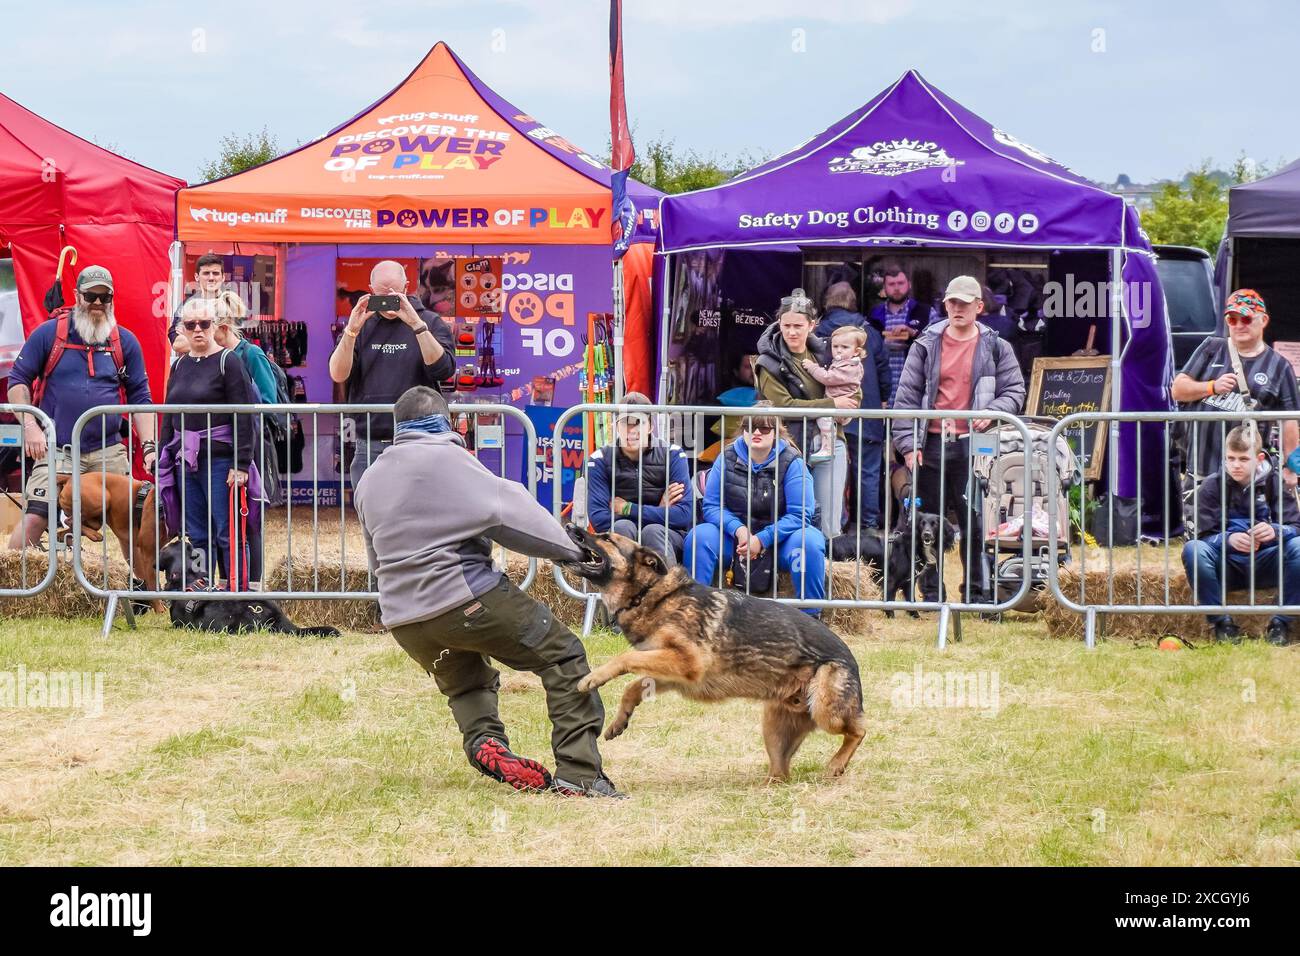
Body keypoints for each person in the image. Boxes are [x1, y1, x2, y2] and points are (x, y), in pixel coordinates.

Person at [354, 386, 621, 797]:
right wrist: (573, 553)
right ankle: (580, 775)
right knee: (564, 655)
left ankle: (484, 741)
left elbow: (376, 560)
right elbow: (510, 512)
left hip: (405, 620)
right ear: (448, 421)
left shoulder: (369, 478)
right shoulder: (453, 461)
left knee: (467, 684)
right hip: (465, 597)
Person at [892, 276, 1026, 601]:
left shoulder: (997, 346)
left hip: (976, 444)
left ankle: (977, 594)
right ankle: (931, 593)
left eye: (964, 303)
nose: (957, 308)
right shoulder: (925, 344)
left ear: (979, 307)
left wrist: (993, 409)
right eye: (952, 302)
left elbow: (1015, 390)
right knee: (925, 525)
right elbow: (906, 398)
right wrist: (908, 446)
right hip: (930, 444)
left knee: (977, 524)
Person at [6, 265, 155, 551]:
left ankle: (141, 594)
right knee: (36, 516)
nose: (98, 304)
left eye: (105, 297)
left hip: (108, 450)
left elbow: (140, 396)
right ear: (77, 296)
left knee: (131, 526)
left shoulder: (125, 341)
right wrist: (30, 425)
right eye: (91, 296)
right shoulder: (48, 334)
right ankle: (14, 591)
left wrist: (148, 446)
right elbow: (18, 380)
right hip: (57, 448)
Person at [683, 404, 827, 615]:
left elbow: (800, 514)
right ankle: (693, 613)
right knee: (699, 537)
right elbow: (712, 505)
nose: (757, 432)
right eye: (751, 426)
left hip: (783, 539)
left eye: (765, 428)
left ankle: (811, 617)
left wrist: (762, 539)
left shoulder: (793, 462)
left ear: (777, 432)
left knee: (810, 542)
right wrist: (739, 530)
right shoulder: (725, 458)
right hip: (735, 537)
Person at [157, 298, 260, 588]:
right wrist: (163, 454)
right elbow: (169, 415)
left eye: (204, 324)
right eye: (191, 325)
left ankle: (237, 593)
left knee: (228, 531)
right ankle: (202, 591)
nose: (198, 330)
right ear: (182, 330)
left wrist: (241, 464)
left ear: (215, 326)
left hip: (220, 461)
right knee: (196, 533)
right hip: (184, 461)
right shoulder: (178, 366)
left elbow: (244, 415)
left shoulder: (230, 361)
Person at [328, 260, 455, 491]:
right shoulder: (361, 325)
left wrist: (416, 325)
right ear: (370, 289)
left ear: (407, 288)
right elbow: (338, 373)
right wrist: (351, 332)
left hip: (421, 438)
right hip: (371, 441)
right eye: (381, 294)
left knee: (421, 513)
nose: (388, 301)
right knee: (371, 519)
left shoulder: (430, 321)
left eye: (395, 293)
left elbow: (444, 370)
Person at [1181, 425, 1300, 646]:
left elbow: (1295, 526)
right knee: (1193, 550)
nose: (1235, 465)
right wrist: (1227, 539)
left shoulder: (1275, 483)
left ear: (1259, 457)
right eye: (1231, 458)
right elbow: (1201, 536)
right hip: (1227, 566)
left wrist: (1275, 531)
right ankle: (1222, 625)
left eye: (1243, 459)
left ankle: (1280, 624)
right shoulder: (1211, 485)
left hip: (1267, 562)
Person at [1171, 289, 1300, 487]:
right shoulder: (1212, 348)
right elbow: (1178, 389)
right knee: (1196, 518)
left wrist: (1291, 468)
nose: (1239, 325)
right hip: (1200, 473)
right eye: (1232, 320)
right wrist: (1211, 387)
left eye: (1246, 319)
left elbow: (1289, 422)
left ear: (1263, 320)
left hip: (1249, 480)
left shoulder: (1280, 366)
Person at [755, 288, 855, 540]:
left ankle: (828, 575)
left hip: (832, 439)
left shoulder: (826, 353)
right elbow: (783, 406)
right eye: (786, 325)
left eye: (798, 325)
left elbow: (850, 385)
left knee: (829, 524)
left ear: (812, 325)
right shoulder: (768, 362)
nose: (792, 331)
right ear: (779, 323)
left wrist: (850, 405)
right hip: (789, 445)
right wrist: (832, 405)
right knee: (793, 518)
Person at [212, 291, 278, 590]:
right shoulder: (211, 357)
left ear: (224, 327)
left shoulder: (251, 355)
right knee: (222, 518)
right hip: (222, 447)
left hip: (250, 445)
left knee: (250, 518)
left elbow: (269, 401)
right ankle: (225, 583)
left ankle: (252, 586)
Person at [585, 392, 693, 565]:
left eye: (639, 423)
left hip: (667, 536)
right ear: (615, 426)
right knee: (623, 528)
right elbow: (599, 519)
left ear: (650, 426)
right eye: (625, 423)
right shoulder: (599, 459)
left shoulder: (673, 455)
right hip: (621, 535)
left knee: (653, 531)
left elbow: (683, 515)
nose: (631, 430)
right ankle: (623, 590)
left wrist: (628, 509)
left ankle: (667, 591)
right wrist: (658, 511)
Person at [816, 283, 891, 529]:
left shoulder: (816, 333)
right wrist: (881, 404)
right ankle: (868, 526)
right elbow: (884, 374)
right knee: (868, 470)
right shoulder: (870, 333)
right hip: (865, 409)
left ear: (827, 303)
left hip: (832, 411)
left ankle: (835, 524)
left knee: (832, 471)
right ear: (853, 302)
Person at [867, 263, 937, 404]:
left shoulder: (927, 312)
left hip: (916, 387)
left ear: (909, 284)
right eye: (891, 284)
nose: (897, 288)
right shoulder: (873, 315)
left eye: (900, 283)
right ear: (884, 288)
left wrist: (914, 333)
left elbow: (938, 346)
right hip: (882, 391)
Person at [802, 325, 865, 464]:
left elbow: (828, 378)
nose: (838, 350)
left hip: (843, 407)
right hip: (840, 403)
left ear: (856, 351)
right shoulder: (844, 363)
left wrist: (812, 367)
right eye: (835, 346)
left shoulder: (849, 367)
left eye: (844, 347)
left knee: (823, 418)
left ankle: (827, 448)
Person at [171, 253, 227, 356]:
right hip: (192, 368)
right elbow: (177, 345)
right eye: (206, 273)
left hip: (223, 367)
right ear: (197, 277)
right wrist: (215, 335)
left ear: (223, 277)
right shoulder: (186, 306)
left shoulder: (231, 305)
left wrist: (190, 336)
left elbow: (229, 341)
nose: (211, 278)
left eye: (215, 273)